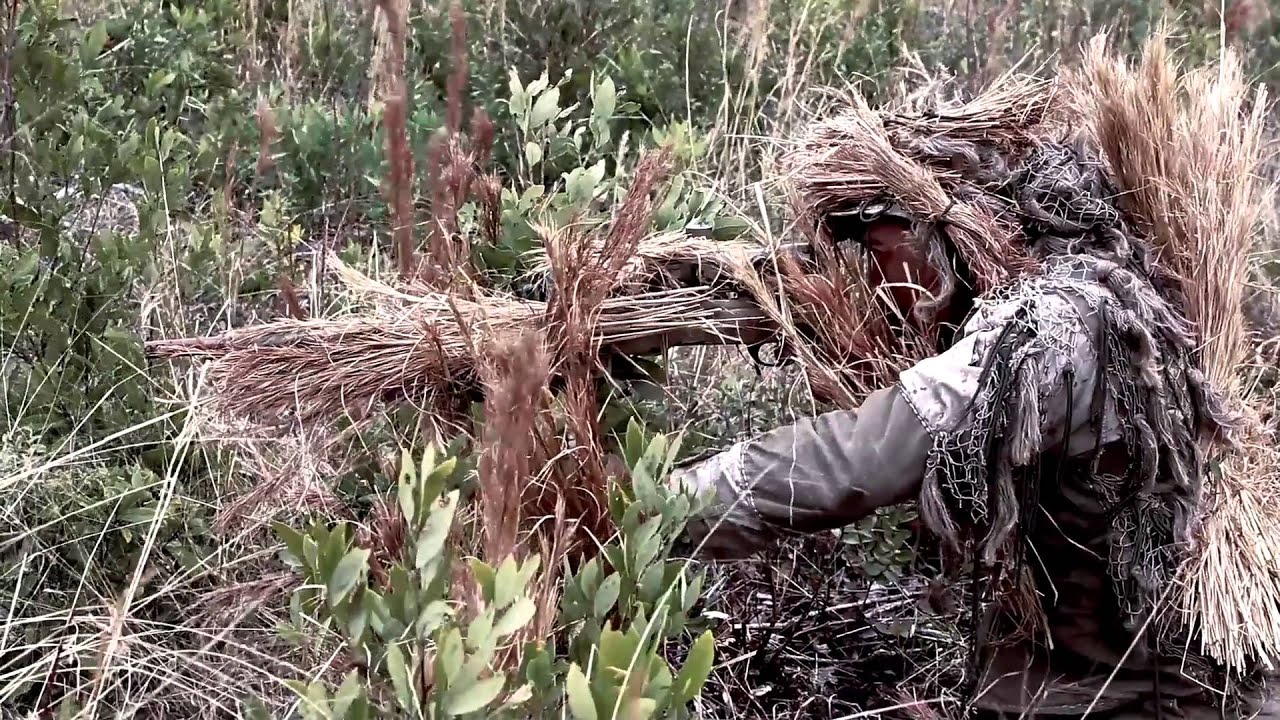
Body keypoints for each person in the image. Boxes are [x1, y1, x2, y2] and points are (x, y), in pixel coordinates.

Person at [669, 135, 1280, 717]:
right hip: (1085, 676)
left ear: (960, 233)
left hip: (1162, 694)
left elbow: (857, 461)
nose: (884, 286)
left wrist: (653, 513)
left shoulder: (1050, 331)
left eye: (886, 250)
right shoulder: (1116, 285)